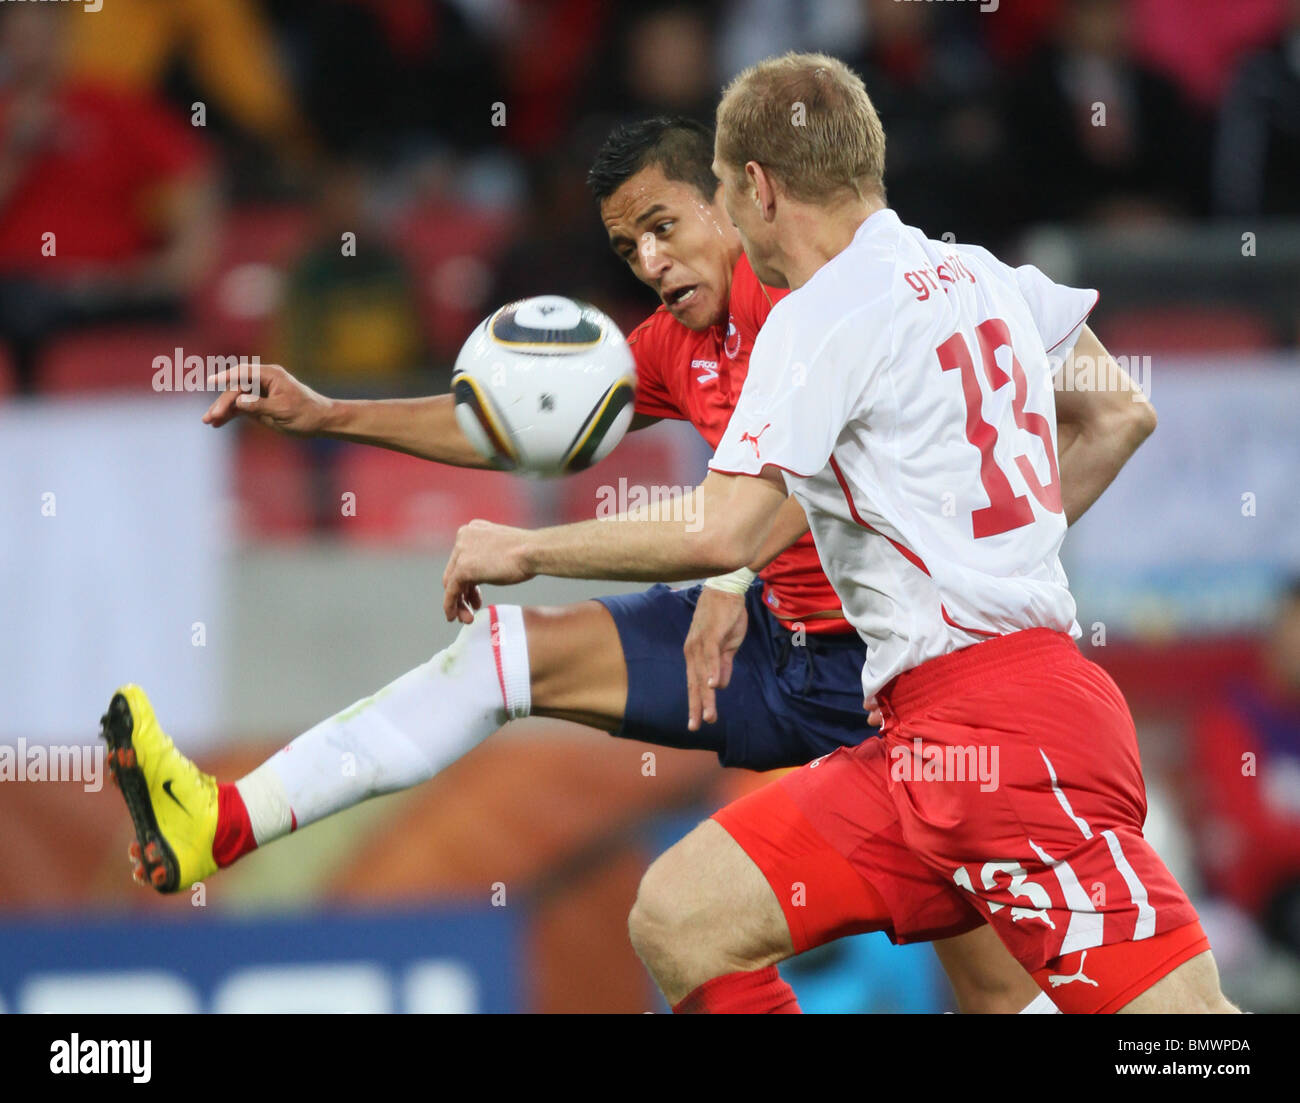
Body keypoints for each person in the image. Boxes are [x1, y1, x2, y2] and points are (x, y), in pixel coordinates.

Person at [105, 115, 1130, 1014]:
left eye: (663, 225)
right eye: (626, 243)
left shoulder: (816, 316)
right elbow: (515, 424)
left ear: (735, 200)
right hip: (775, 652)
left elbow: (759, 515)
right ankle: (224, 819)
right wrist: (332, 412)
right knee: (502, 658)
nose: (646, 258)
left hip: (902, 679)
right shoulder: (677, 341)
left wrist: (743, 574)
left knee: (999, 993)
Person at [438, 54, 1237, 1014]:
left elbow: (725, 529)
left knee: (1192, 1038)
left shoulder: (817, 318)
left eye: (727, 197)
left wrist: (526, 550)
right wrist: (985, 550)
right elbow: (1119, 416)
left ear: (758, 190)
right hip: (917, 742)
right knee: (682, 915)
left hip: (1009, 732)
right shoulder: (993, 277)